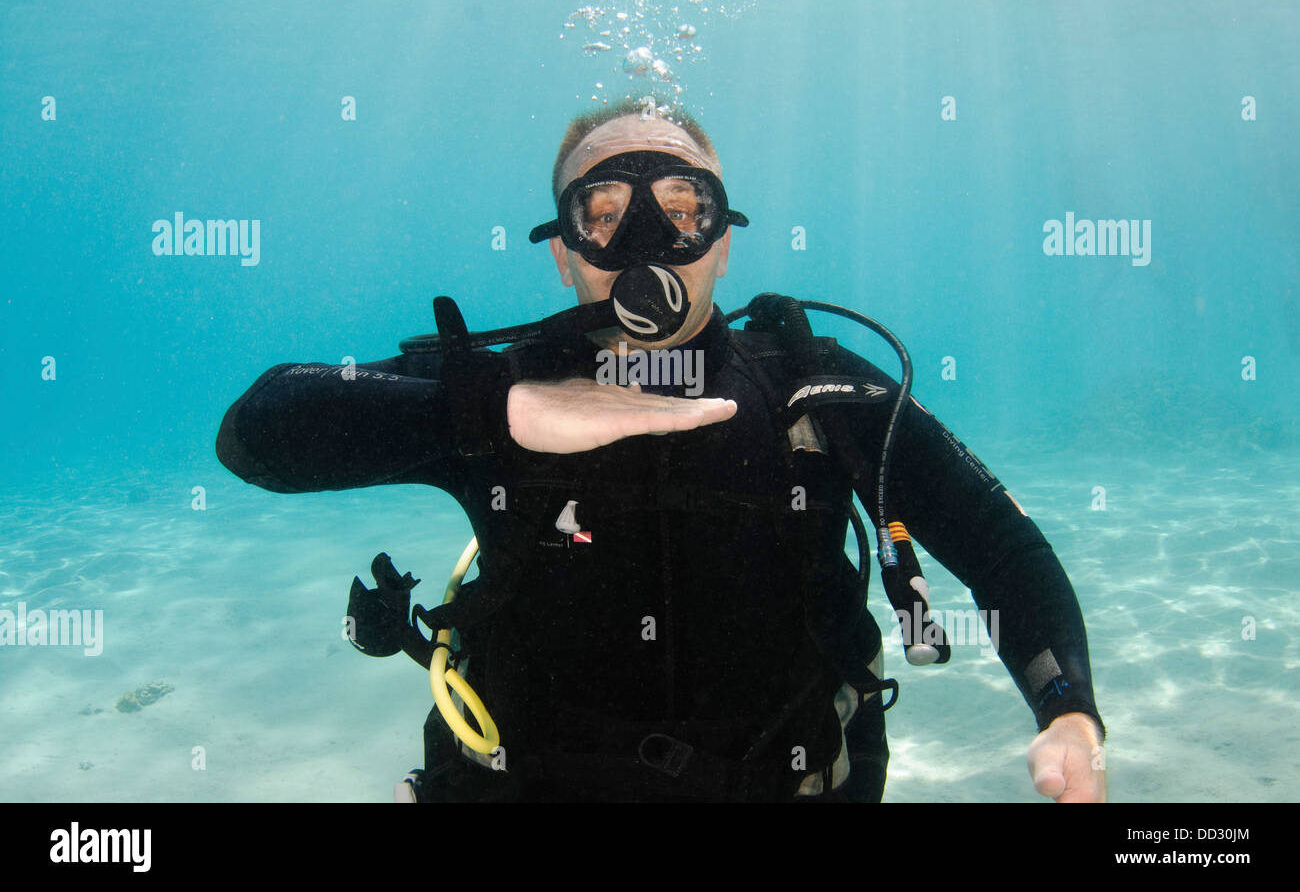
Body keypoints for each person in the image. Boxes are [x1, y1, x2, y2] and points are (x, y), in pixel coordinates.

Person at [215, 100, 1106, 802]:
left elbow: (999, 545)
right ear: (565, 255)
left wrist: (1067, 713)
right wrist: (501, 410)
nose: (646, 239)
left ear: (721, 240)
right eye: (601, 213)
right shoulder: (494, 391)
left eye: (684, 208)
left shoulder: (815, 389)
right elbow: (258, 430)